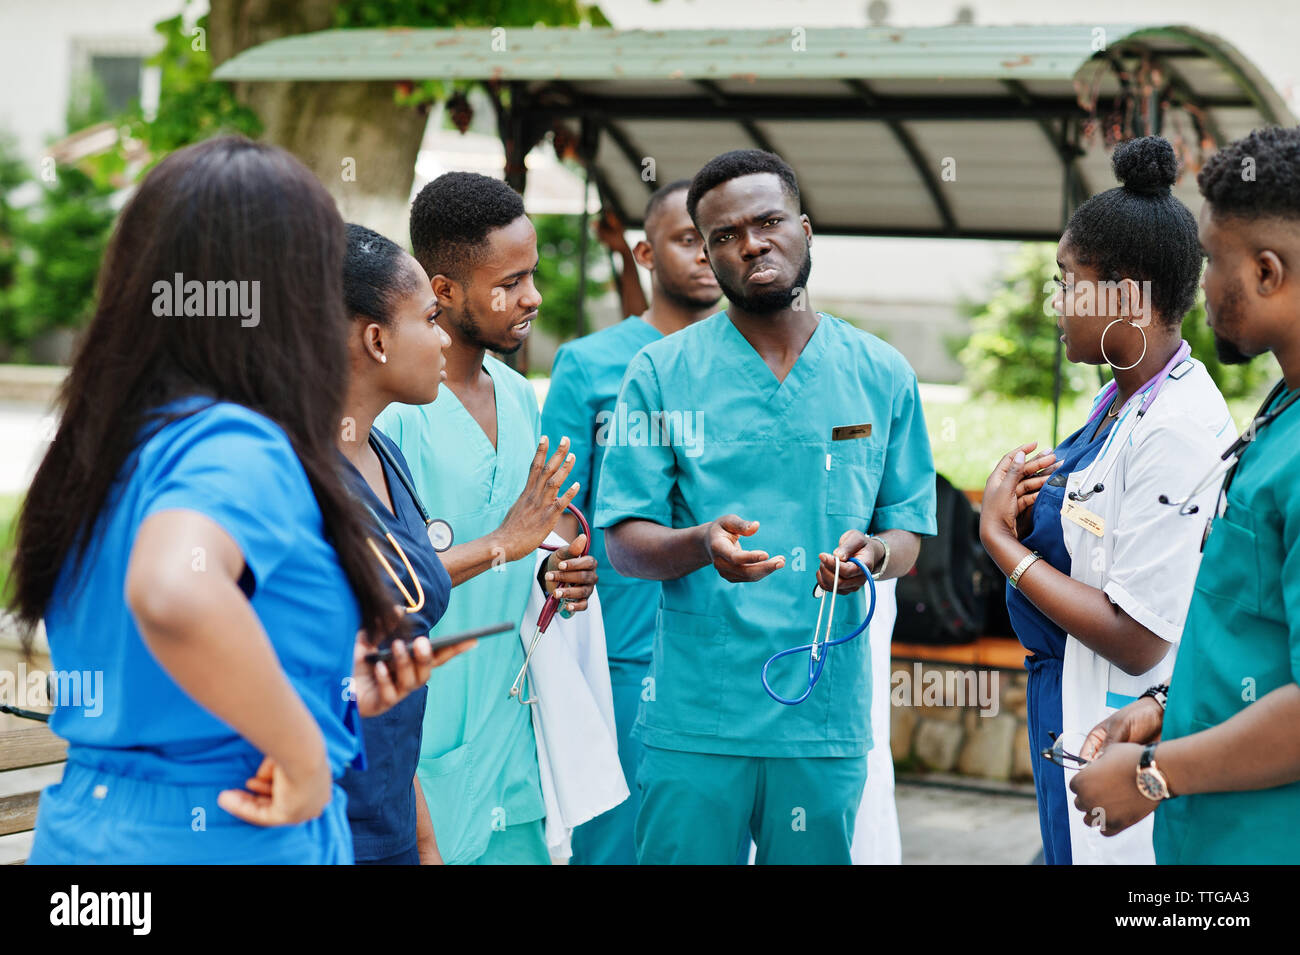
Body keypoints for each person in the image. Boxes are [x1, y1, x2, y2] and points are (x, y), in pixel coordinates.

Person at [15, 137, 431, 864]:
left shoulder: (101, 445)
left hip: (89, 838)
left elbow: (164, 669)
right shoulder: (238, 441)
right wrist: (302, 754)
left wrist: (325, 689)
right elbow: (175, 589)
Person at [596, 149, 937, 865]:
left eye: (768, 221)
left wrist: (873, 555)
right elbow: (624, 540)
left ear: (806, 230)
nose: (750, 243)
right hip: (698, 718)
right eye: (723, 235)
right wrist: (699, 544)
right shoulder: (661, 373)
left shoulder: (881, 374)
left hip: (820, 716)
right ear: (708, 254)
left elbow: (907, 532)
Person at [979, 136, 1232, 865]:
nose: (1055, 302)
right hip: (1069, 706)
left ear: (1122, 295)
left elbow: (1137, 634)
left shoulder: (1177, 429)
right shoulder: (1116, 401)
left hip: (1118, 724)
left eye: (1067, 281)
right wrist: (1029, 506)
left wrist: (1002, 543)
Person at [1070, 126, 1300, 864]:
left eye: (1210, 262)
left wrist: (1153, 775)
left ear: (1267, 272)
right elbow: (1255, 635)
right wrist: (1166, 710)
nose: (1198, 286)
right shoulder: (1279, 415)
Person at [377, 172, 598, 865]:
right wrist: (506, 544)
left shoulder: (516, 392)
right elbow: (380, 588)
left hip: (511, 739)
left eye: (532, 274)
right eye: (511, 282)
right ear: (442, 292)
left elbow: (535, 531)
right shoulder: (395, 411)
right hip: (427, 740)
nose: (532, 296)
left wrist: (561, 566)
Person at [541, 179, 721, 865]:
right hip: (620, 646)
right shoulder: (588, 364)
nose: (708, 254)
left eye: (719, 240)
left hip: (726, 648)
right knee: (614, 842)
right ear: (645, 252)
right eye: (689, 239)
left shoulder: (758, 364)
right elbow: (560, 514)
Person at [336, 224, 480, 865]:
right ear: (376, 339)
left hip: (388, 821)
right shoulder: (290, 482)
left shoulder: (384, 455)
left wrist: (421, 840)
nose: (445, 337)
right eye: (430, 318)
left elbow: (392, 693)